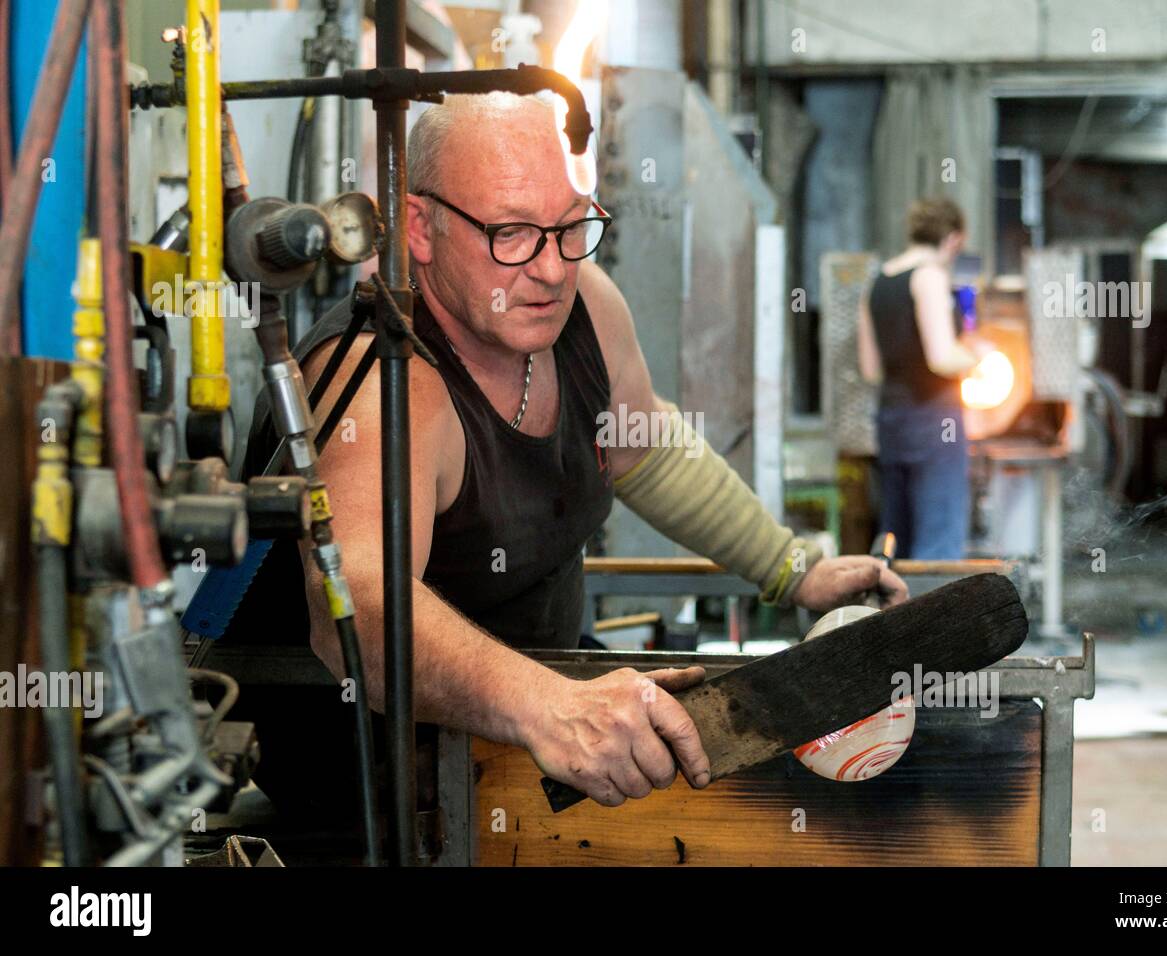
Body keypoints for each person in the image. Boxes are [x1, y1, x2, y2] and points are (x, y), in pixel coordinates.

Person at [233, 92, 908, 814]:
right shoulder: (385, 382)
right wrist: (546, 709)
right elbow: (359, 611)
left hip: (539, 708)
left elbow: (645, 448)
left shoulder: (584, 305)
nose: (553, 269)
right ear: (420, 228)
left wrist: (793, 568)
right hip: (375, 777)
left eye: (569, 227)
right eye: (514, 234)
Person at [857, 197, 991, 560]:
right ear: (953, 240)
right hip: (934, 421)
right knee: (938, 544)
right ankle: (937, 617)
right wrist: (979, 354)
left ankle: (891, 617)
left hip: (890, 420)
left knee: (894, 542)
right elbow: (942, 357)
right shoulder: (929, 276)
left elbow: (870, 368)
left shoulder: (878, 282)